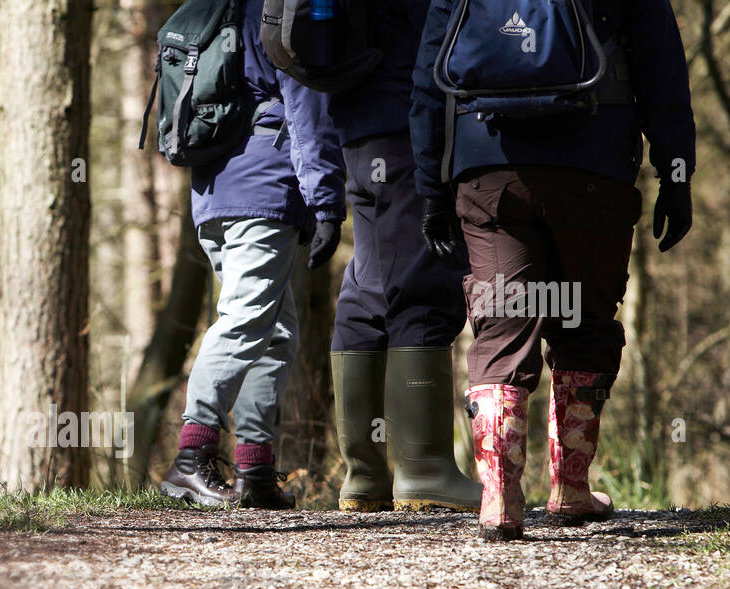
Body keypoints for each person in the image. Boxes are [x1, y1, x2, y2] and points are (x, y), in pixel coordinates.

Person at [411, 0, 695, 540]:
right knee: (585, 317)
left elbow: (429, 81)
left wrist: (430, 187)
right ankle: (570, 488)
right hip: (595, 165)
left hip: (487, 165)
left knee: (501, 321)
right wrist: (675, 171)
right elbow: (662, 71)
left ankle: (499, 499)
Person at [160, 0, 345, 509]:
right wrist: (327, 202)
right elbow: (307, 107)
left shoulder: (229, 9)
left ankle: (255, 469)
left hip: (215, 190)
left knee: (275, 329)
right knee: (245, 320)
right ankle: (190, 460)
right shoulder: (288, 11)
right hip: (263, 190)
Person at [325, 0, 481, 514]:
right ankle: (424, 468)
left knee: (368, 283)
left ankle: (364, 474)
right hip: (406, 122)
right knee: (424, 275)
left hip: (357, 124)